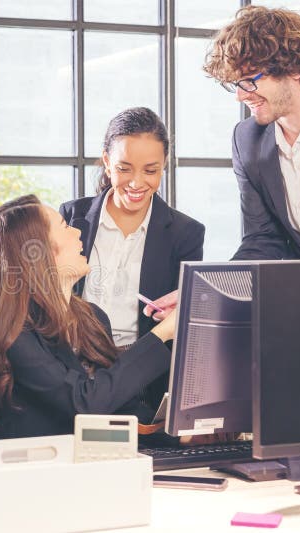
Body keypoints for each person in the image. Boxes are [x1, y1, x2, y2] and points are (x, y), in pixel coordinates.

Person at [147, 5, 300, 318]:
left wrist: (277, 293)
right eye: (235, 84)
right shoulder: (247, 140)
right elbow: (262, 241)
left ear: (294, 69)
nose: (240, 96)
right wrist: (202, 294)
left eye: (249, 81)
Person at [0, 194, 177, 439]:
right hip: (41, 469)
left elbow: (118, 413)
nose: (77, 233)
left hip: (97, 461)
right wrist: (160, 335)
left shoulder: (93, 318)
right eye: (65, 227)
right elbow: (84, 404)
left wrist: (179, 436)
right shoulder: (16, 337)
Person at [59, 107, 203, 410]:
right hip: (72, 372)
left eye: (150, 171)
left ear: (164, 166)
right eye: (124, 168)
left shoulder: (185, 234)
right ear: (107, 162)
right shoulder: (72, 218)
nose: (137, 183)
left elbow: (186, 327)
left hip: (143, 375)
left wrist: (180, 313)